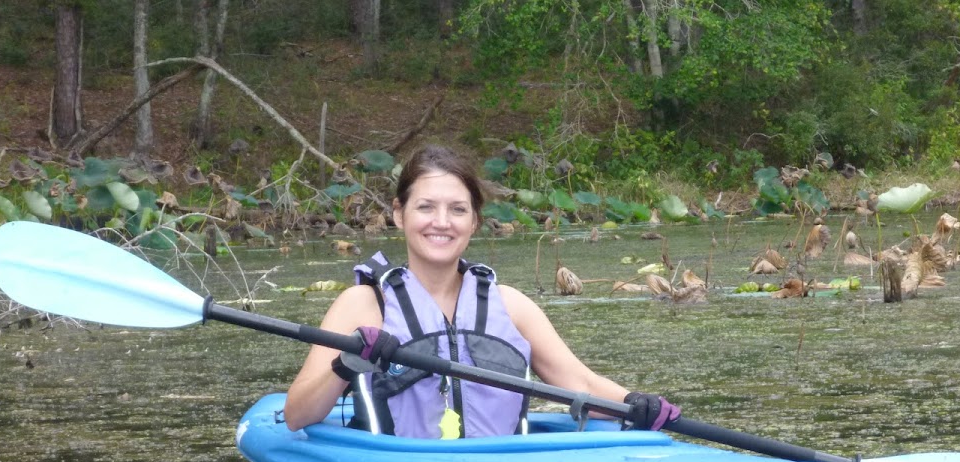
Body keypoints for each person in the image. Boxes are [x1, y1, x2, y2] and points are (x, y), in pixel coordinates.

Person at [283, 144, 680, 438]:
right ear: (398, 213)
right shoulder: (363, 305)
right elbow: (298, 414)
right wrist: (347, 363)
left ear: (474, 221)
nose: (442, 222)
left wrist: (635, 403)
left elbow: (580, 384)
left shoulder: (512, 306)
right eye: (425, 207)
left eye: (458, 209)